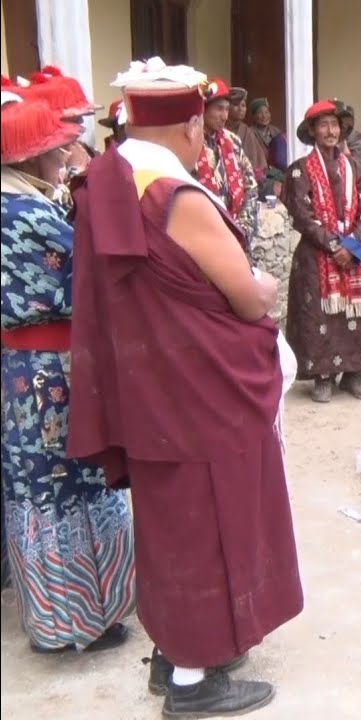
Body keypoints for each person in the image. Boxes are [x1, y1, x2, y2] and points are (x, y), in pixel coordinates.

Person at [68, 59, 302, 717]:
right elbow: (246, 299)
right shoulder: (176, 196)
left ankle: (173, 654)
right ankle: (195, 683)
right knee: (206, 524)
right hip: (203, 391)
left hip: (150, 386)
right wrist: (262, 289)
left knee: (171, 524)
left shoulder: (106, 180)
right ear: (192, 125)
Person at [2, 95, 136, 655]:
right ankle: (76, 620)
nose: (64, 158)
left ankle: (53, 617)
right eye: (55, 152)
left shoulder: (16, 202)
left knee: (34, 487)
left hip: (19, 370)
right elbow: (87, 273)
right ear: (31, 159)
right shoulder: (26, 215)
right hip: (50, 372)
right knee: (69, 482)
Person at [284, 100, 361, 403]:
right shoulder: (298, 172)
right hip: (316, 254)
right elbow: (301, 215)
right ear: (312, 131)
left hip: (354, 254)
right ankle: (322, 376)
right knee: (317, 311)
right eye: (324, 125)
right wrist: (334, 246)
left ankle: (356, 374)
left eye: (335, 125)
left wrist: (352, 247)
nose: (331, 131)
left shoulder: (356, 168)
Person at [195, 77, 259, 240]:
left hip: (237, 232)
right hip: (203, 233)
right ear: (203, 108)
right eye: (218, 109)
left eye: (226, 109)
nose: (224, 116)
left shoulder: (233, 141)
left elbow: (250, 186)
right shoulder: (190, 144)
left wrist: (243, 229)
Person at [241, 98, 288, 198]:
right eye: (260, 113)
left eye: (266, 112)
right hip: (259, 172)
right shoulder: (249, 133)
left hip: (276, 171)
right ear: (254, 116)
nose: (264, 116)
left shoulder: (276, 131)